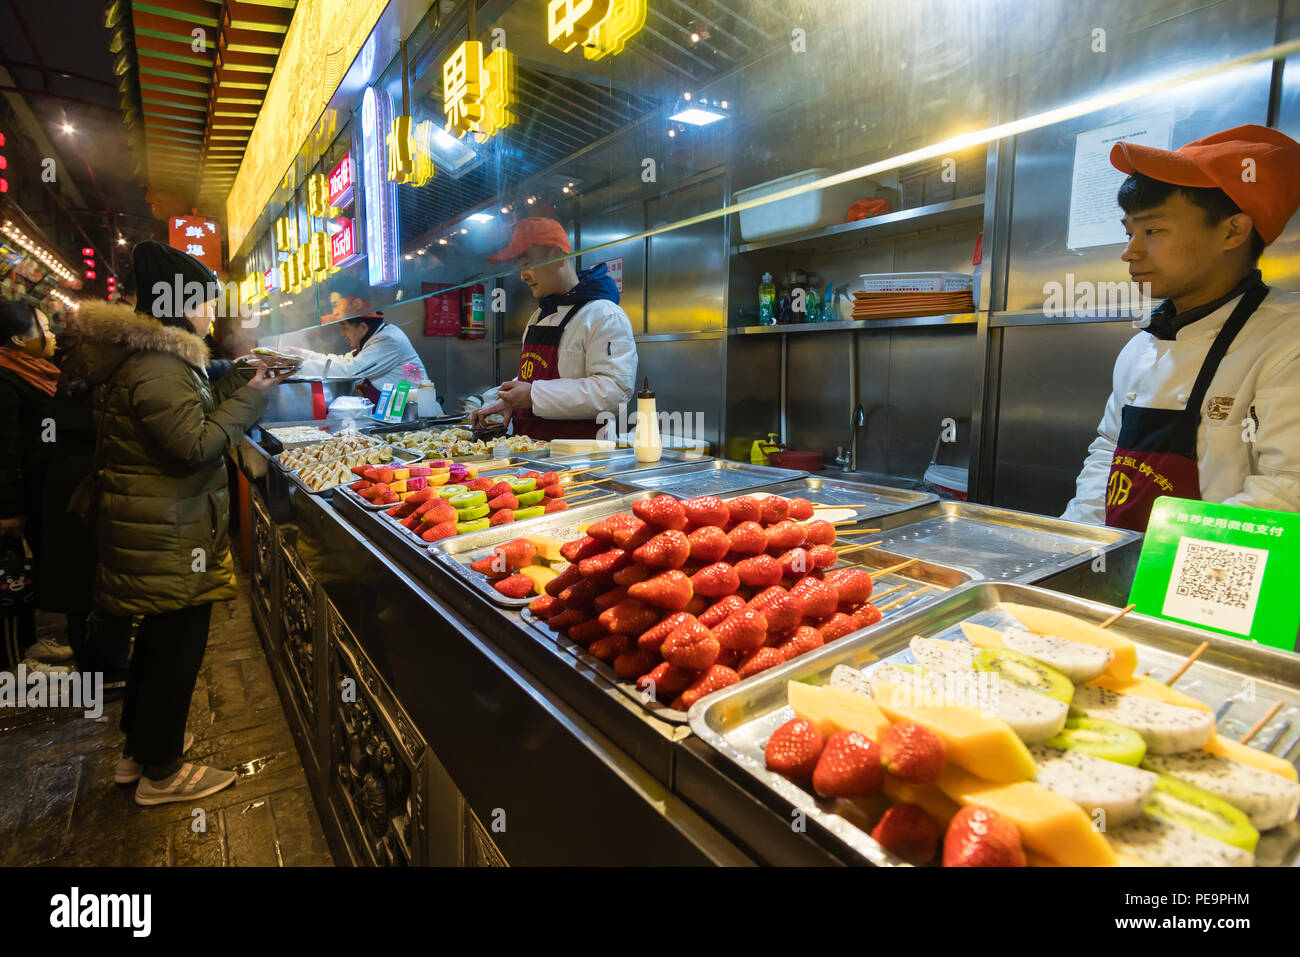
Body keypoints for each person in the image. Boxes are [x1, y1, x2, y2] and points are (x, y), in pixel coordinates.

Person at [64, 241, 287, 805]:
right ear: (180, 303)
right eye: (206, 303)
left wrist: (242, 378)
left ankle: (140, 751)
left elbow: (197, 409)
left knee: (158, 642)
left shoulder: (151, 358)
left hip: (158, 524)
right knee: (177, 649)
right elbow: (196, 443)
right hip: (169, 529)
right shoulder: (160, 364)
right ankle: (162, 773)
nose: (211, 314)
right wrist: (257, 395)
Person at [1062, 125, 1300, 531]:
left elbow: (1286, 493)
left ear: (1232, 231)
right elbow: (1108, 452)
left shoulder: (1286, 340)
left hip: (1219, 582)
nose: (1130, 251)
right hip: (1123, 576)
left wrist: (1158, 569)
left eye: (1152, 231)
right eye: (1129, 231)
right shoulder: (1141, 347)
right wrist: (1078, 549)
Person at [471, 217, 637, 437]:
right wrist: (508, 400)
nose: (522, 276)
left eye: (527, 264)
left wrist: (533, 395)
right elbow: (533, 378)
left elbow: (615, 392)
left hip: (580, 456)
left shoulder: (603, 315)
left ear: (558, 256)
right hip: (529, 449)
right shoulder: (538, 316)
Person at [0, 300, 67, 671]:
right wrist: (8, 510)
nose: (52, 334)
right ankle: (13, 664)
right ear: (17, 339)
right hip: (18, 497)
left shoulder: (35, 370)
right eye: (43, 329)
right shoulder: (6, 379)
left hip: (41, 490)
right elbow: (4, 450)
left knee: (23, 572)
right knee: (9, 575)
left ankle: (29, 645)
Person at [289, 309, 427, 407]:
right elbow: (341, 361)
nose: (342, 333)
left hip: (417, 416)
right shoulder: (373, 341)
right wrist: (300, 355)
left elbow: (349, 371)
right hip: (396, 416)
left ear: (362, 327)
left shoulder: (388, 340)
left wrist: (295, 365)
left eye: (345, 327)